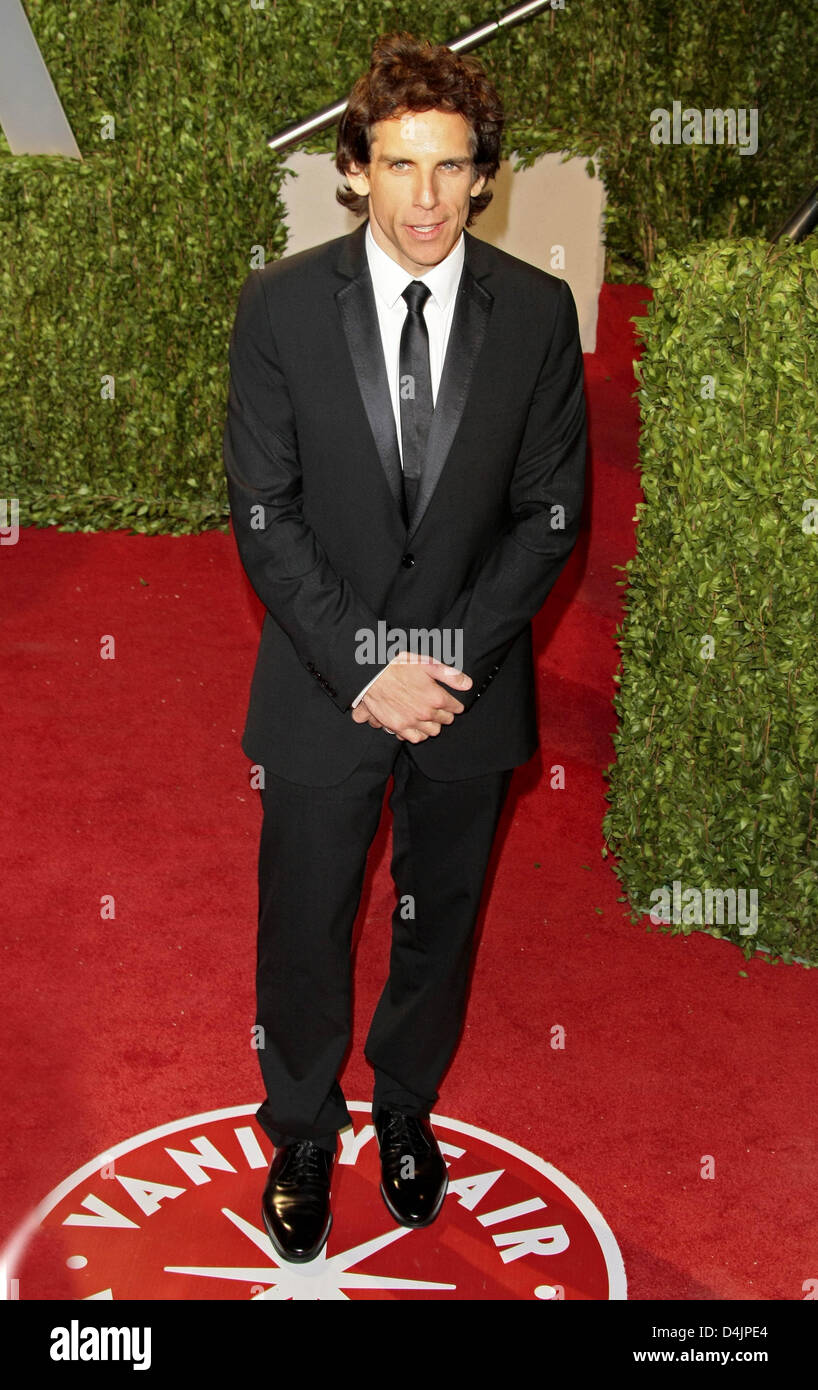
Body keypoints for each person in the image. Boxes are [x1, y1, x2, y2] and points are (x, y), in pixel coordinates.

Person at [223, 30, 587, 1264]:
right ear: (350, 170)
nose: (423, 198)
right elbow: (264, 514)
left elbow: (549, 516)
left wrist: (441, 661)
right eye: (396, 165)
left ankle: (407, 1107)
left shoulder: (538, 312)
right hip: (326, 679)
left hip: (464, 687)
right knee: (305, 915)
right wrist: (368, 663)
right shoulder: (277, 306)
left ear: (485, 174)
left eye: (448, 167)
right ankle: (305, 1128)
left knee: (440, 916)